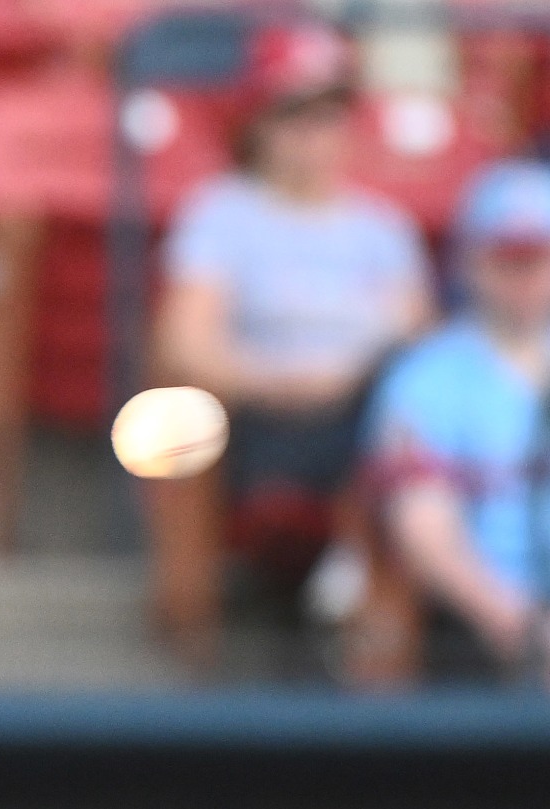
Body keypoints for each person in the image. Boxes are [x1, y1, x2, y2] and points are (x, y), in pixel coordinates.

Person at [147, 24, 435, 671]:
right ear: (260, 122)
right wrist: (286, 383)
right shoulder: (222, 213)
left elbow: (418, 344)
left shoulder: (383, 228)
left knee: (401, 410)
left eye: (329, 114)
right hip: (257, 418)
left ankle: (358, 599)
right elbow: (187, 340)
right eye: (293, 114)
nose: (313, 133)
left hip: (361, 420)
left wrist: (345, 377)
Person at [362, 160, 550, 681]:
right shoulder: (426, 375)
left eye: (538, 257)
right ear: (470, 262)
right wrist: (519, 624)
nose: (525, 276)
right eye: (507, 259)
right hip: (476, 635)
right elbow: (424, 524)